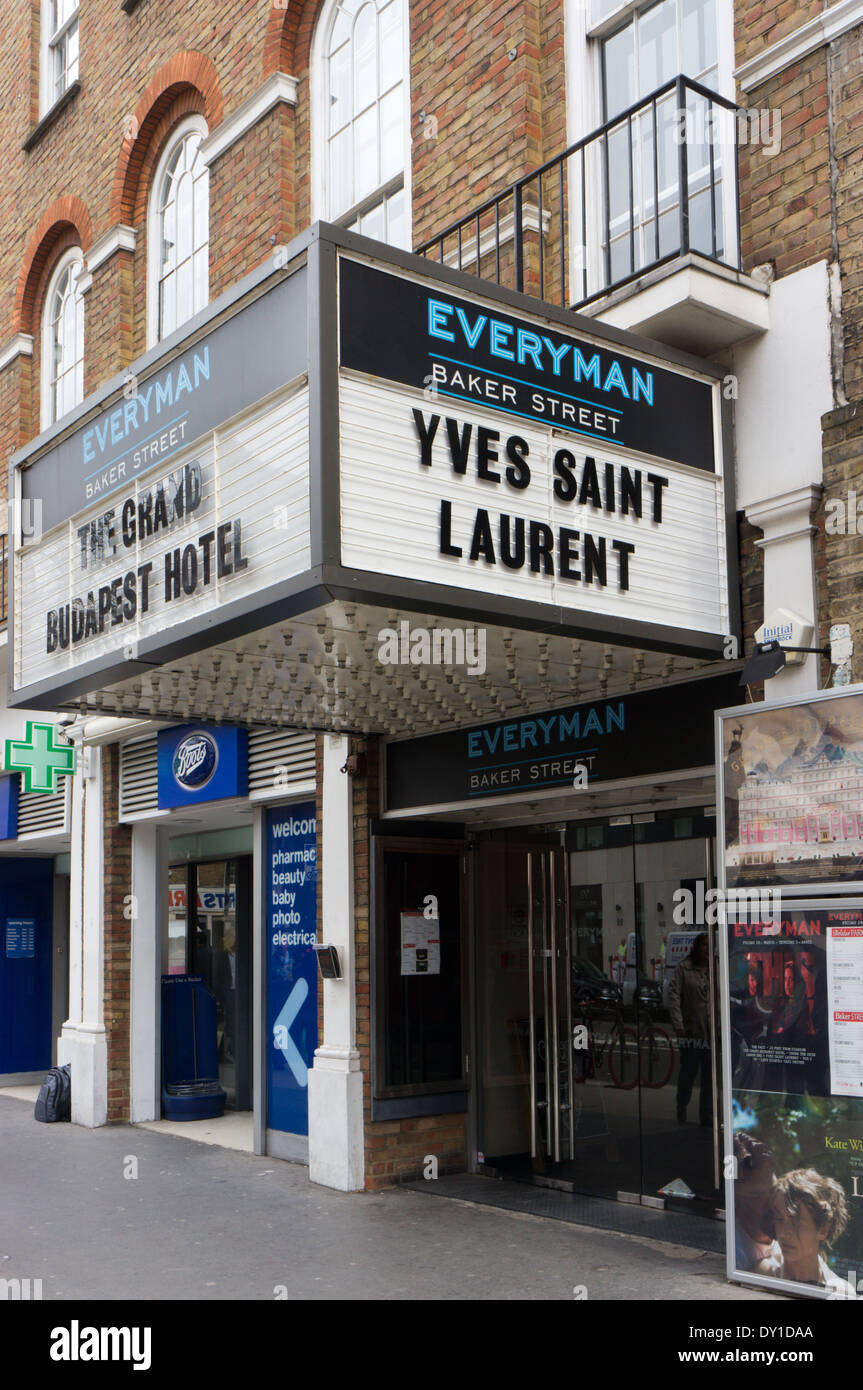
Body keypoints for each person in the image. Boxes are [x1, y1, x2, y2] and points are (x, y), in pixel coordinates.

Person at [771, 1169, 855, 1295]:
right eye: (779, 1219)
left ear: (822, 1229)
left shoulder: (841, 1293)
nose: (783, 1233)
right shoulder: (761, 1274)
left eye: (796, 1223)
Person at [668, 932, 712, 1125]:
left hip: (711, 1033)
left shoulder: (714, 968)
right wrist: (679, 1026)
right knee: (688, 1073)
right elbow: (674, 997)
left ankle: (706, 1114)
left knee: (709, 1078)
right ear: (696, 947)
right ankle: (681, 1105)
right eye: (703, 945)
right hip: (692, 1031)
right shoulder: (684, 968)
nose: (706, 949)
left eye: (709, 946)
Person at [733, 1133, 783, 1276]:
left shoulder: (789, 1233)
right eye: (758, 1196)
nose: (772, 1202)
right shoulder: (736, 1253)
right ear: (737, 1201)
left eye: (773, 1190)